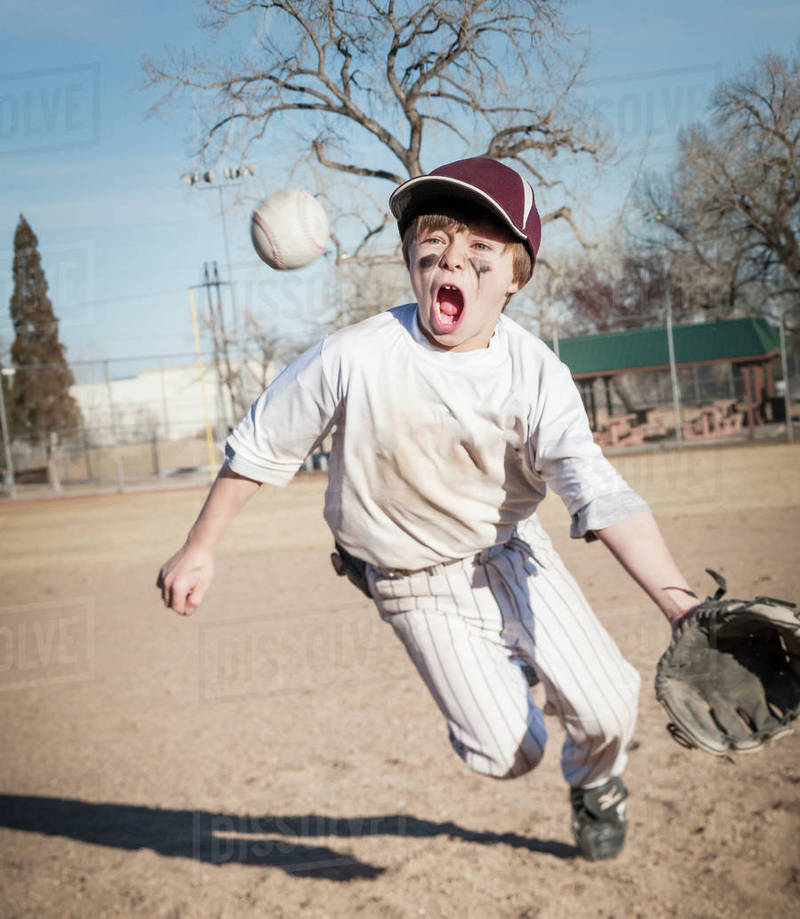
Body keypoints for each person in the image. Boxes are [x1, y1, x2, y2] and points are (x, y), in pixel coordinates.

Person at [157, 157, 699, 862]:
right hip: (410, 581)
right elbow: (261, 445)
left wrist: (682, 608)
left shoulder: (537, 374)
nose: (454, 260)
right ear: (412, 263)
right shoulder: (354, 355)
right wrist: (200, 546)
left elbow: (597, 489)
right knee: (506, 753)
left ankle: (596, 784)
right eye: (434, 245)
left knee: (606, 711)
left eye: (482, 250)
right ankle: (507, 673)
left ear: (515, 276)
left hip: (513, 557)